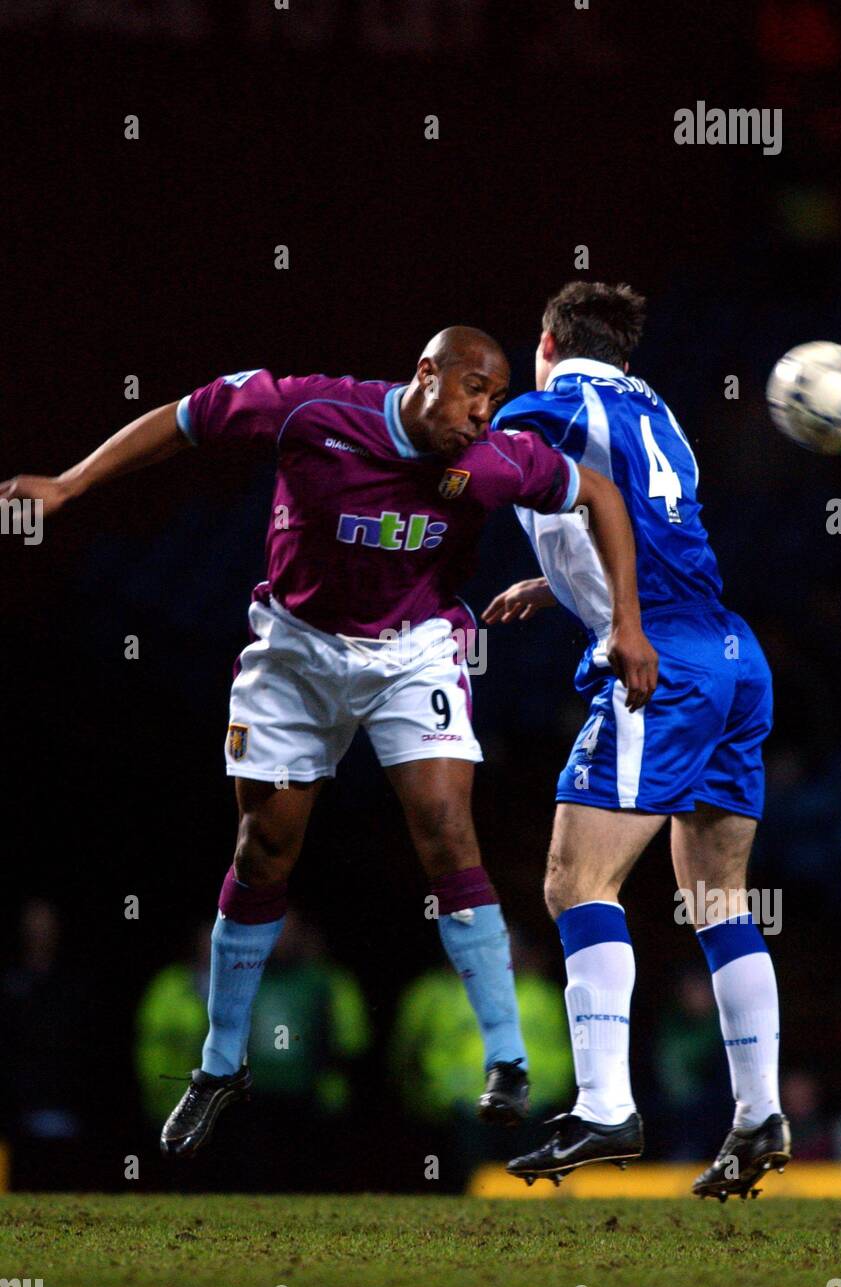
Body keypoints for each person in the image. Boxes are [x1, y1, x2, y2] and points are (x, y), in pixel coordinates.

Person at [1, 325, 656, 1159]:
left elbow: (598, 493)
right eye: (472, 391)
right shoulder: (311, 410)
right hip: (295, 649)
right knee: (265, 848)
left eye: (494, 397)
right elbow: (186, 418)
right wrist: (70, 484)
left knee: (447, 830)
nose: (483, 412)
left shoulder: (496, 457)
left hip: (414, 647)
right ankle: (220, 1063)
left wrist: (627, 625)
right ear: (426, 374)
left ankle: (507, 1059)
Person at [483, 282, 789, 1199]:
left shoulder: (549, 402)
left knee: (575, 880)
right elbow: (646, 523)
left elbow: (459, 456)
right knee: (719, 902)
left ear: (546, 343)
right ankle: (760, 1114)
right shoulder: (659, 412)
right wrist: (560, 585)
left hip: (661, 664)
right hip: (734, 654)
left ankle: (606, 1104)